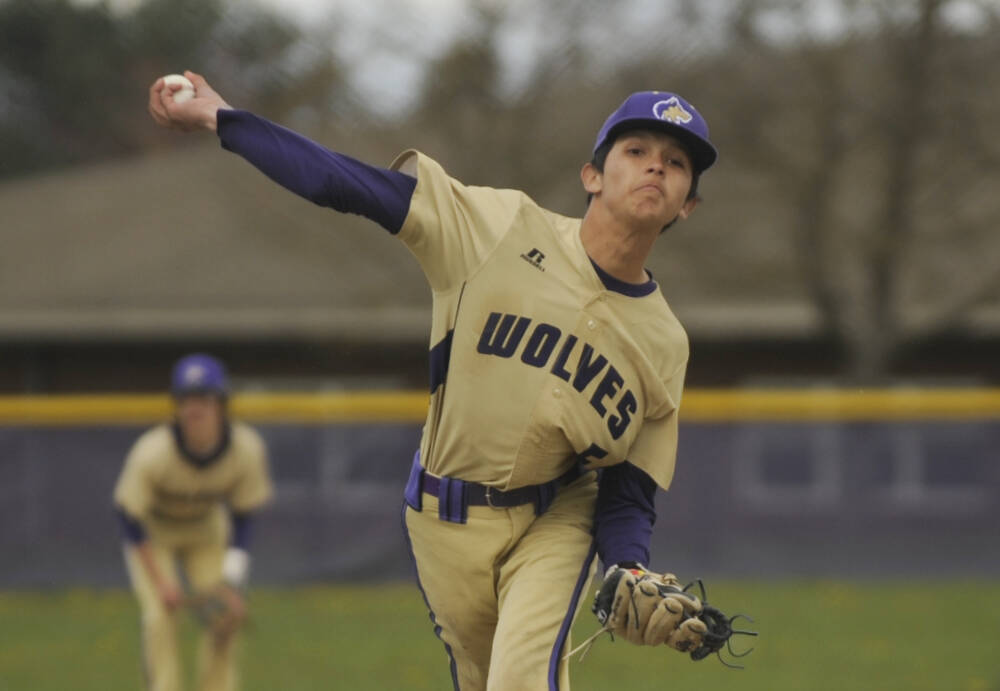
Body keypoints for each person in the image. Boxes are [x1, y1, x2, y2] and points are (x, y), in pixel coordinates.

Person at [148, 72, 717, 690]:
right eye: (636, 152)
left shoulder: (664, 343)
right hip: (441, 516)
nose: (654, 168)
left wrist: (629, 566)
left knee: (520, 681)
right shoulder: (498, 227)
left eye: (676, 162)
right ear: (592, 175)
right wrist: (222, 118)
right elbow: (350, 184)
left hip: (557, 513)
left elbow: (628, 490)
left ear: (688, 203)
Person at [113, 353, 273, 691]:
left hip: (205, 529)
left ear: (222, 404)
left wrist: (231, 580)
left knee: (224, 616)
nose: (194, 408)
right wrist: (161, 582)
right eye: (186, 399)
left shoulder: (245, 448)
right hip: (155, 533)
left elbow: (244, 516)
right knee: (160, 617)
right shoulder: (152, 453)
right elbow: (129, 517)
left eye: (204, 398)